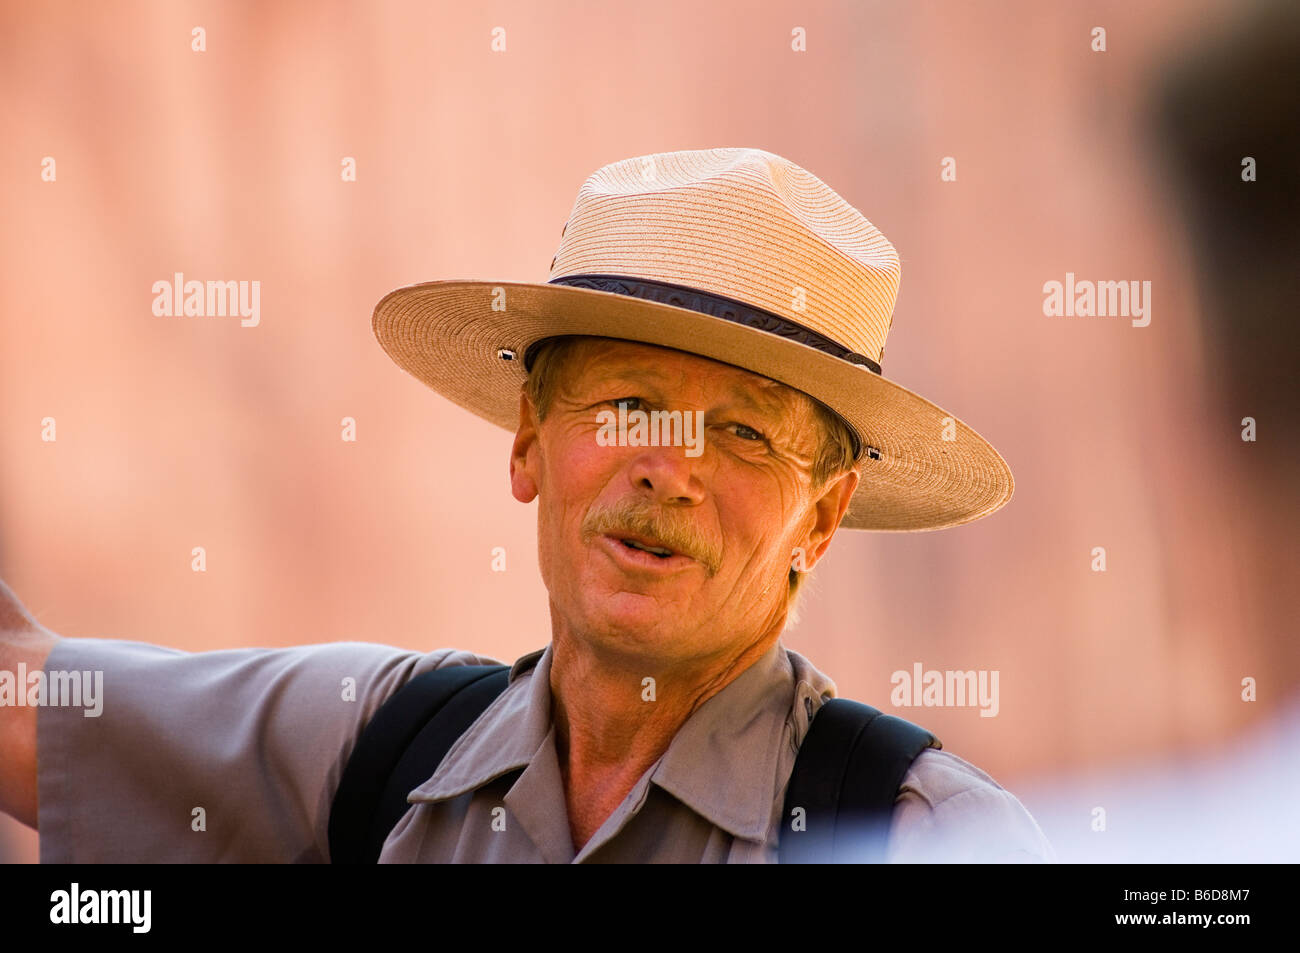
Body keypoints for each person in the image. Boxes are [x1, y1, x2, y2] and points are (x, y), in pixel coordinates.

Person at [0, 147, 1054, 863]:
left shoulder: (921, 835)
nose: (668, 469)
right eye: (630, 403)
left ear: (819, 522)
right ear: (526, 441)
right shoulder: (374, 747)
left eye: (741, 431)